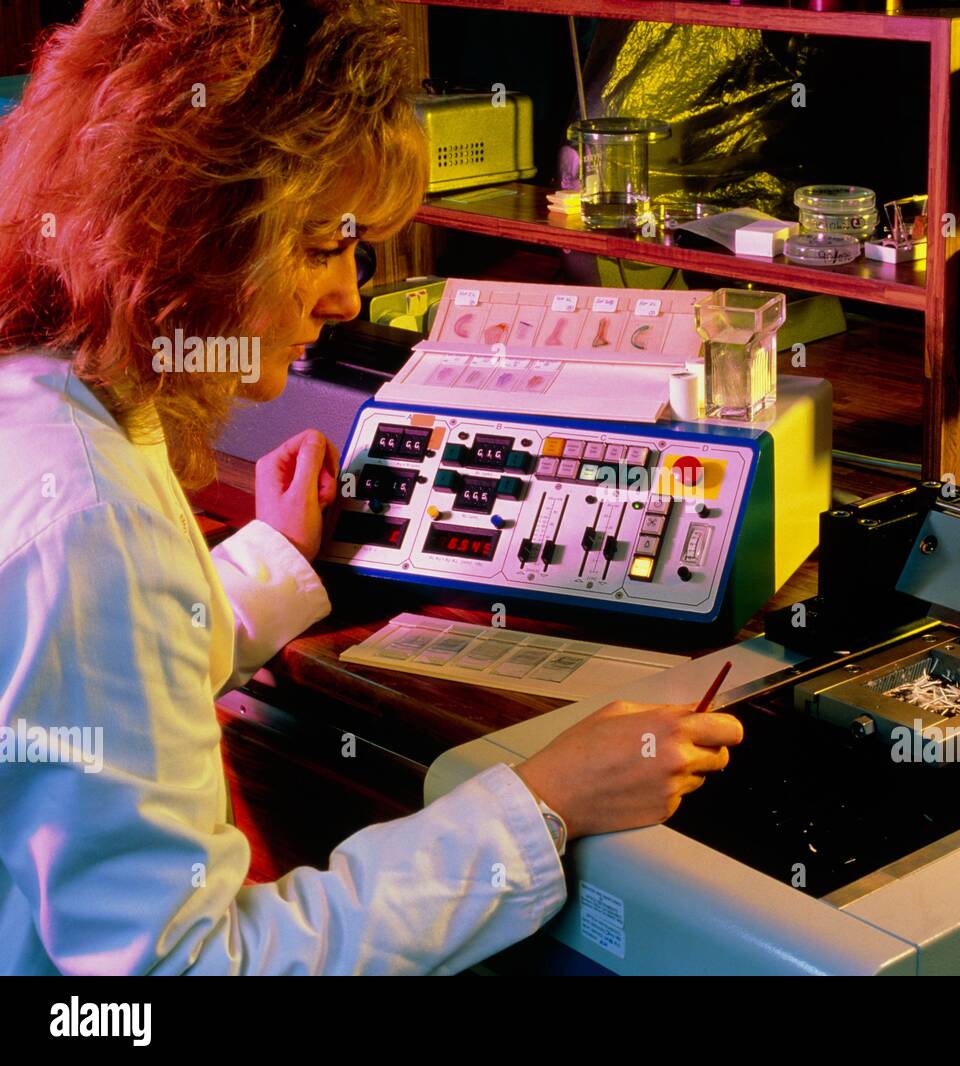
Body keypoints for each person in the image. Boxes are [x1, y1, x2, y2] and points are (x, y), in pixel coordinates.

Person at [0, 0, 743, 975]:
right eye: (321, 246)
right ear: (187, 233)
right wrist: (538, 803)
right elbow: (182, 969)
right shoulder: (92, 514)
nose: (348, 296)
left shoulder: (50, 392)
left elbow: (86, 677)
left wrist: (271, 561)